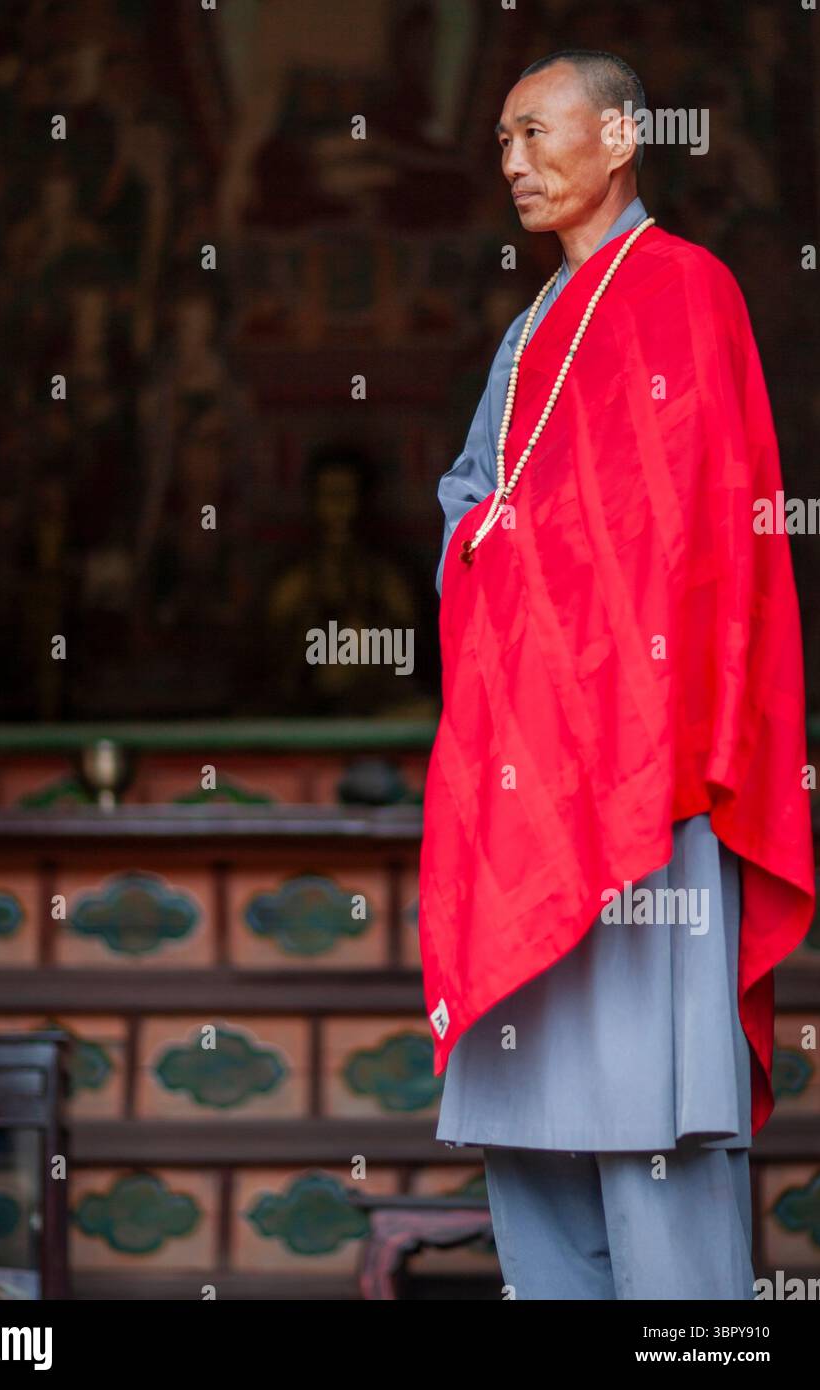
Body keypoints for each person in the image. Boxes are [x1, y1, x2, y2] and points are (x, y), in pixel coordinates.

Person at [418, 50, 815, 1300]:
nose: (513, 165)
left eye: (535, 134)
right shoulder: (533, 325)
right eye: (499, 144)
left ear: (622, 136)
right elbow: (472, 504)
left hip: (642, 786)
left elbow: (694, 535)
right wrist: (496, 553)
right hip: (528, 768)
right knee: (536, 1171)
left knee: (657, 1151)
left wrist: (534, 564)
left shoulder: (686, 291)